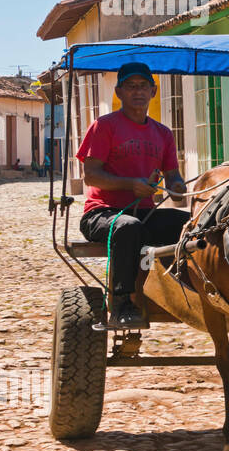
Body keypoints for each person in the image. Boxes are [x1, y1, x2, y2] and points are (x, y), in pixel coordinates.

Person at [77, 62, 190, 328]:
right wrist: (131, 185)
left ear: (153, 91)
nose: (137, 92)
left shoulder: (163, 133)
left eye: (143, 86)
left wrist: (177, 187)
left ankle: (188, 292)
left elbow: (173, 175)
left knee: (194, 226)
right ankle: (121, 303)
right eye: (131, 86)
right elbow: (91, 175)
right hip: (102, 213)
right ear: (118, 92)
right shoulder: (104, 127)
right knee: (129, 228)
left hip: (144, 212)